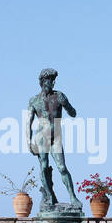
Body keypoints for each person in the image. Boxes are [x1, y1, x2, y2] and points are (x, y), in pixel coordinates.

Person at [28, 68, 80, 211]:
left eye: (54, 80)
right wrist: (28, 141)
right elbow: (28, 123)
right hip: (41, 137)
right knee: (44, 166)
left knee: (62, 167)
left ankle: (72, 197)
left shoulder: (59, 96)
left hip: (56, 136)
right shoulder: (34, 100)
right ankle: (49, 196)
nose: (54, 82)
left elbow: (73, 113)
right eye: (51, 80)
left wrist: (67, 105)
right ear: (44, 82)